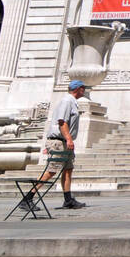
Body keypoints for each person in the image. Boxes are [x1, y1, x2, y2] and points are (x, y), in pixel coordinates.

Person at [20, 80, 89, 211]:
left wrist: (68, 140)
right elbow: (62, 122)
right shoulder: (67, 101)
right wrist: (68, 139)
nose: (84, 90)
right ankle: (27, 199)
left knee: (68, 170)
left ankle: (68, 200)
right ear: (78, 89)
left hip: (64, 141)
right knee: (51, 171)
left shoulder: (72, 102)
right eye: (83, 88)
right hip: (59, 141)